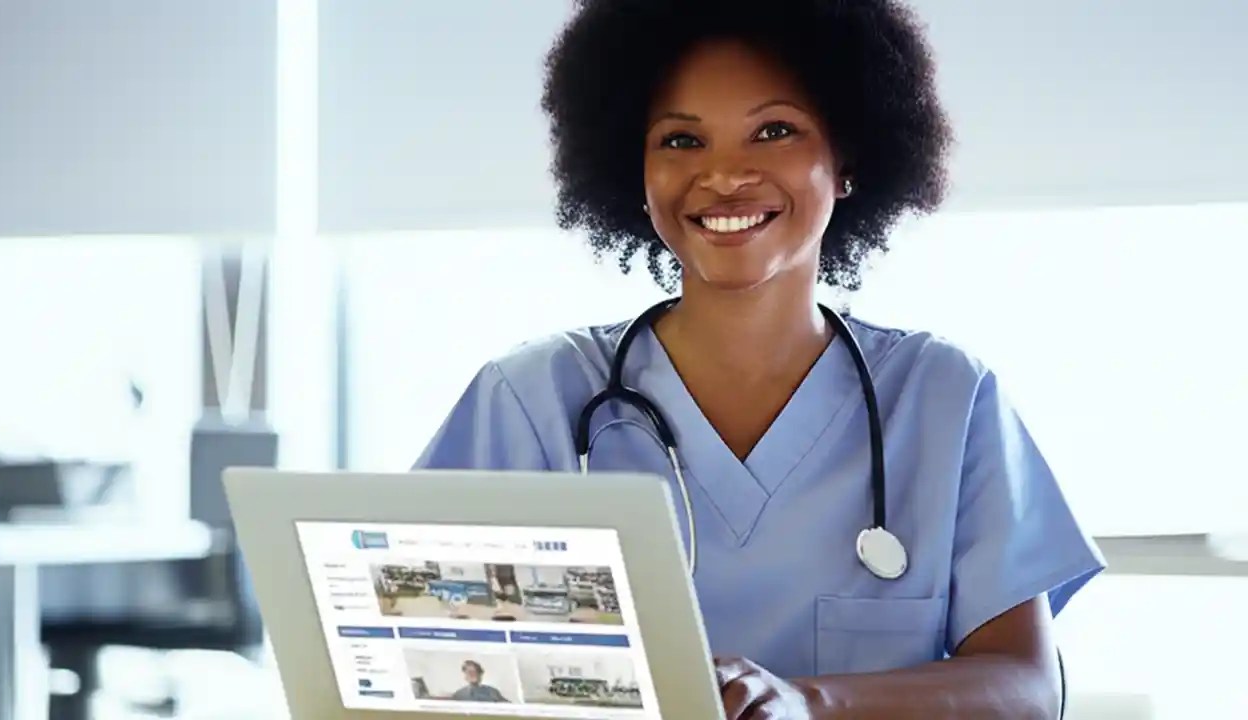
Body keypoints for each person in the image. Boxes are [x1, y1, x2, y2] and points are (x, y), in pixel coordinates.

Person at [416, 0, 1105, 717]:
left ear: (847, 159)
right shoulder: (530, 401)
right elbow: (428, 665)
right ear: (633, 170)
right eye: (681, 140)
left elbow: (1028, 690)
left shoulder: (945, 398)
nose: (723, 175)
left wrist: (809, 703)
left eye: (774, 131)